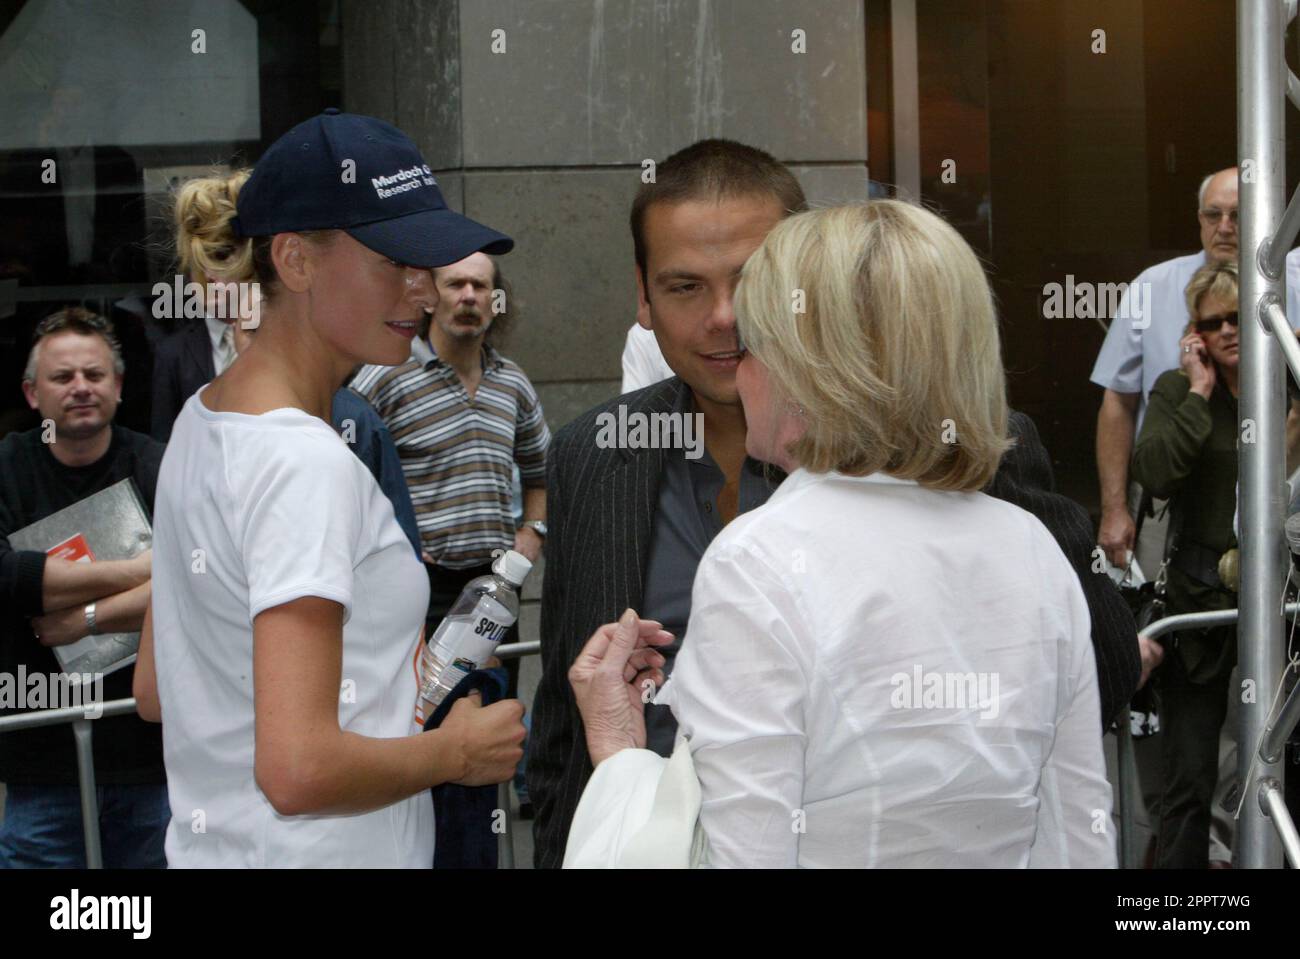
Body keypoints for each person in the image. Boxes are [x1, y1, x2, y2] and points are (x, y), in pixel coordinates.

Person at [529, 138, 1138, 868]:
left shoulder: (973, 459)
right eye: (686, 286)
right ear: (643, 293)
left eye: (755, 292)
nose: (726, 319)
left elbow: (1093, 675)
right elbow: (561, 737)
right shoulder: (591, 455)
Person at [133, 110, 526, 867]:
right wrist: (456, 753)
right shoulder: (303, 462)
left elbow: (159, 689)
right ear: (295, 261)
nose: (425, 290)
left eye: (429, 263)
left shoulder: (200, 420)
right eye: (395, 261)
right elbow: (298, 769)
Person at [1131, 260, 1300, 868]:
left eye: (1238, 317)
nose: (1229, 329)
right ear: (1195, 333)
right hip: (1201, 598)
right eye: (1213, 321)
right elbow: (1155, 473)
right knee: (1190, 773)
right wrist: (1198, 393)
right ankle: (1183, 904)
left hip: (1283, 593)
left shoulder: (1286, 383)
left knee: (1285, 759)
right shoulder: (1179, 392)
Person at [0, 307, 167, 867]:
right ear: (31, 393)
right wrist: (145, 570)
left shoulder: (157, 464)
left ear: (118, 386)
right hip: (39, 756)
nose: (80, 389)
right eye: (62, 377)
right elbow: (6, 579)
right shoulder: (7, 466)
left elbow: (199, 583)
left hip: (148, 753)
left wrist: (84, 616)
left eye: (94, 376)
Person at [351, 252, 550, 641]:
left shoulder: (512, 382)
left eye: (480, 286)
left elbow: (541, 470)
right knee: (421, 701)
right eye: (455, 284)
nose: (469, 296)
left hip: (496, 584)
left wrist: (534, 530)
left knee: (494, 696)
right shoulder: (384, 376)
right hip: (415, 584)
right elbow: (343, 472)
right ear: (429, 297)